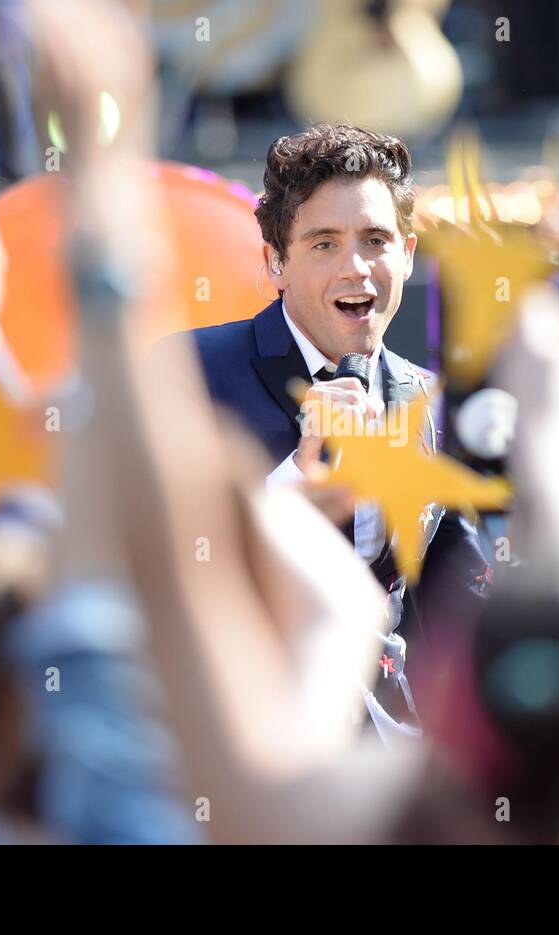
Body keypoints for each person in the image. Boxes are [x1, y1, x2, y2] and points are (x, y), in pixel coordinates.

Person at [175, 124, 491, 735]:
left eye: (375, 240)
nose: (356, 268)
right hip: (251, 736)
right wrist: (299, 478)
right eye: (323, 244)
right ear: (275, 264)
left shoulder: (426, 398)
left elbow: (459, 591)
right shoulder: (191, 372)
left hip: (399, 747)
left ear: (408, 254)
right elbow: (169, 559)